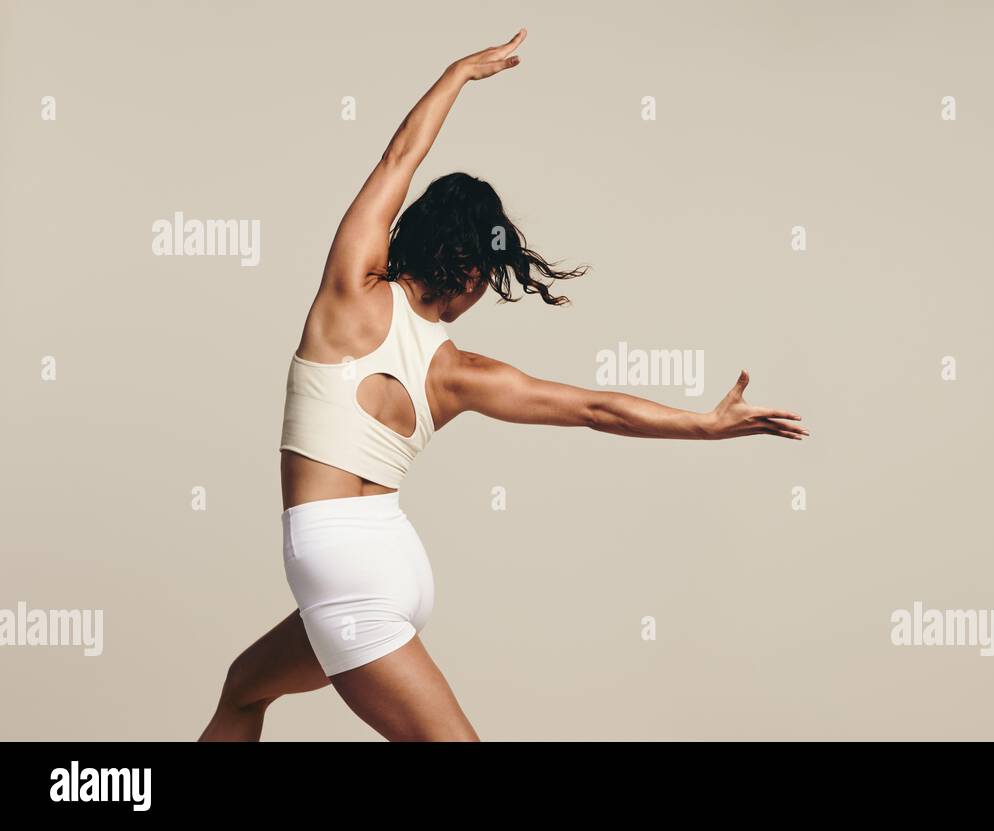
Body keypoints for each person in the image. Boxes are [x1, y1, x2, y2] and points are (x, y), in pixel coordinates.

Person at [198, 29, 806, 742]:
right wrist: (702, 422)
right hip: (384, 563)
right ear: (471, 271)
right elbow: (592, 407)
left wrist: (455, 75)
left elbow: (399, 157)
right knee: (244, 687)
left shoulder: (347, 296)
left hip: (344, 573)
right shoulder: (458, 373)